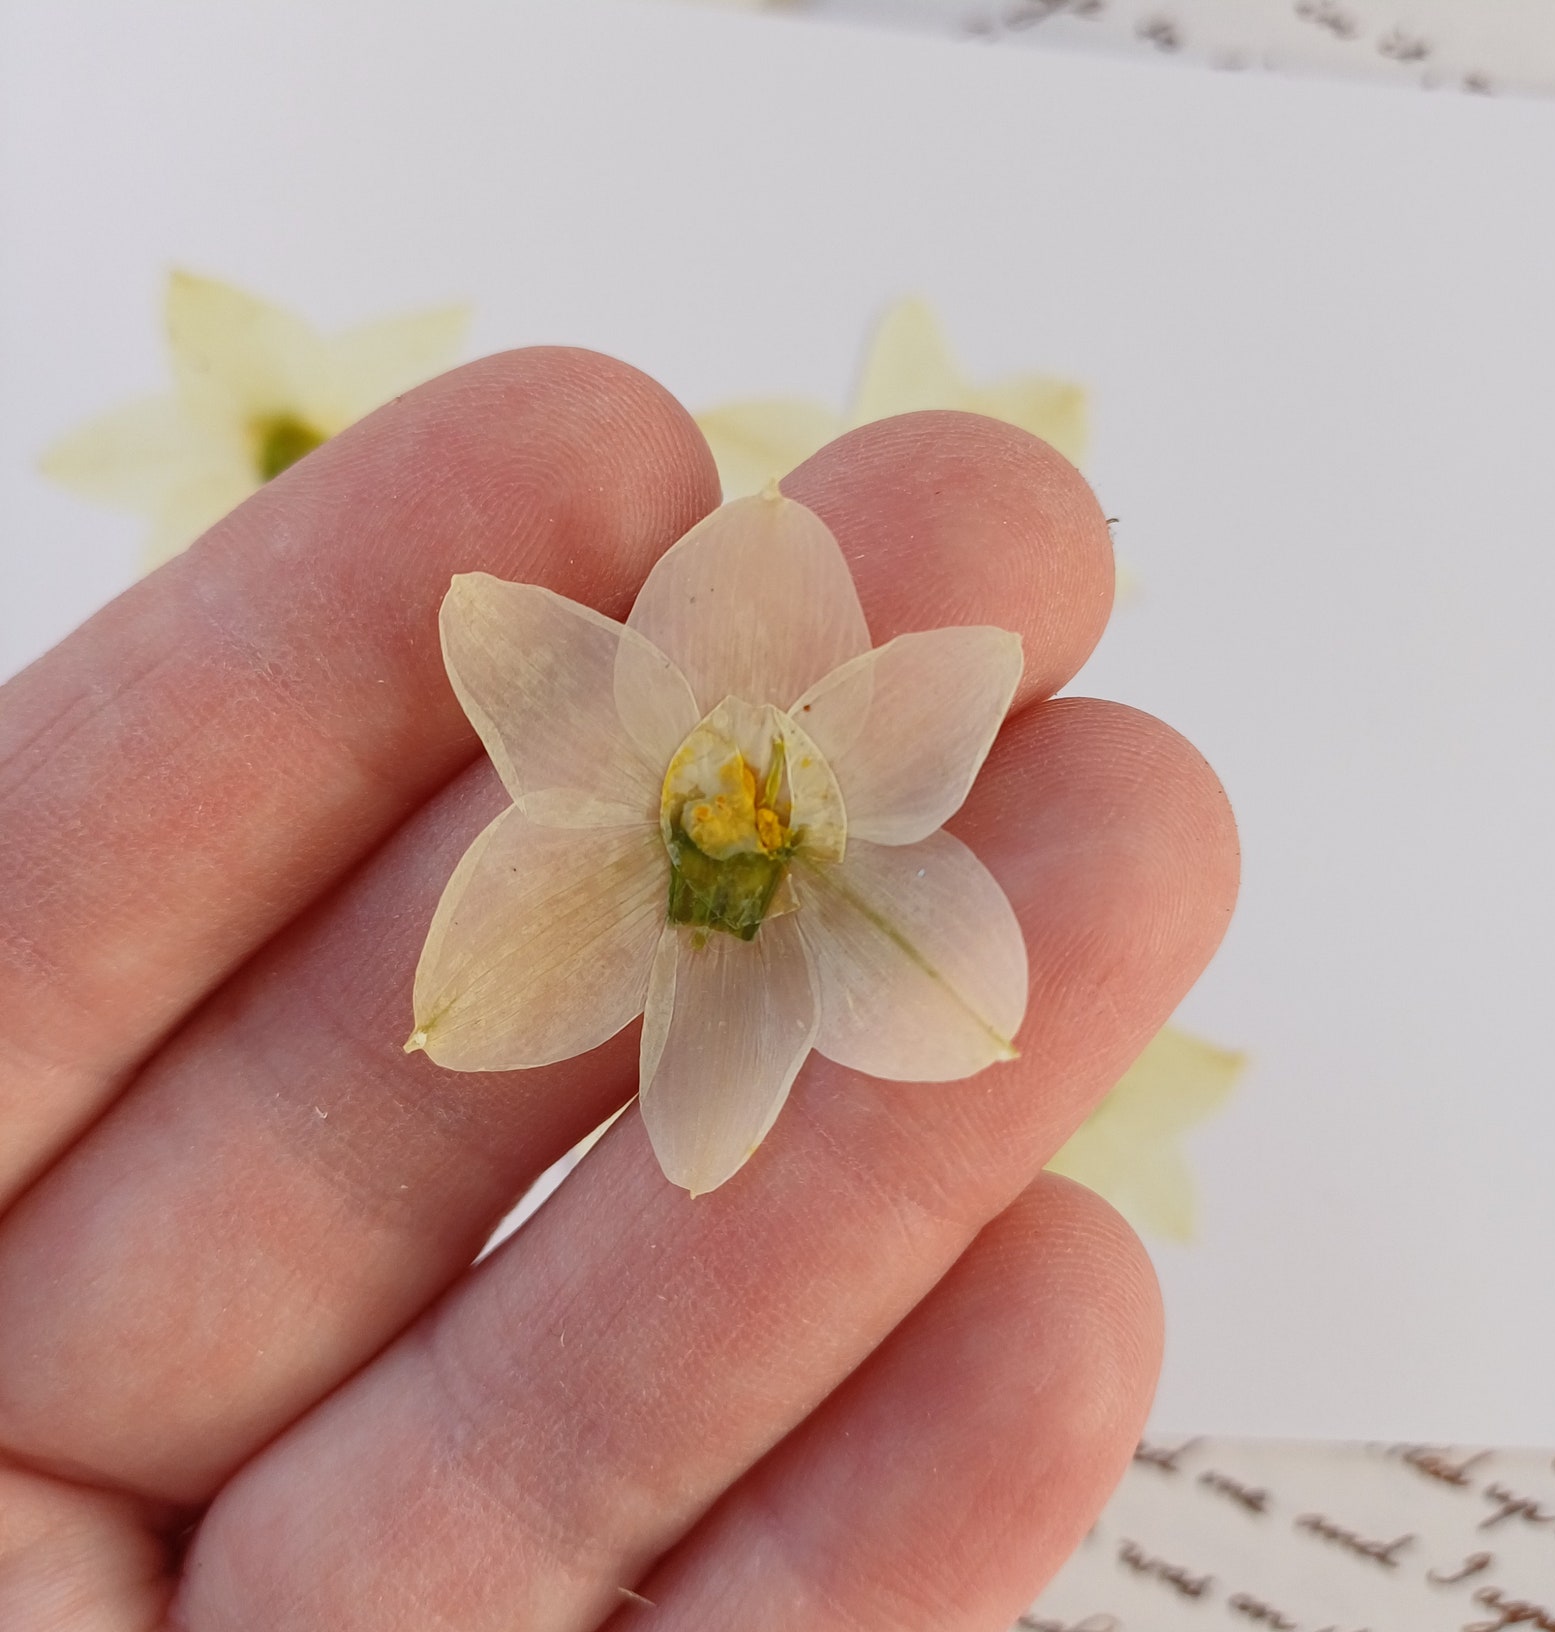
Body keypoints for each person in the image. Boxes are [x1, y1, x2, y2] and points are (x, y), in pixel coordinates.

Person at [0, 349, 1238, 1631]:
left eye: (751, 811)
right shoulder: (605, 744)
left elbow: (941, 1009)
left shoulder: (873, 817)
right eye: (726, 805)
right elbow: (486, 899)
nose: (736, 814)